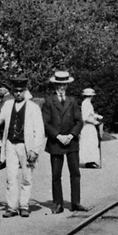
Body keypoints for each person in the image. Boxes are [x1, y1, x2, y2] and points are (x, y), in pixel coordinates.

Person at [0, 77, 44, 217]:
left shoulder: (33, 107)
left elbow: (40, 131)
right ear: (12, 92)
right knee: (11, 177)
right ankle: (12, 207)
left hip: (26, 146)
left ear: (25, 91)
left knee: (26, 177)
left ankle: (24, 206)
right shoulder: (8, 105)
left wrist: (35, 150)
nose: (18, 94)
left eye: (21, 91)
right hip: (11, 145)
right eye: (16, 91)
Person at [41, 70, 84, 213]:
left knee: (75, 173)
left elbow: (79, 121)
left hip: (71, 142)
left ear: (67, 85)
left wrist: (71, 135)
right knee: (56, 174)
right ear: (55, 85)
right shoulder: (49, 101)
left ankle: (75, 202)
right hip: (56, 142)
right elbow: (45, 123)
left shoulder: (72, 101)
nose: (61, 87)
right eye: (59, 84)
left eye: (64, 84)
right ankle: (58, 203)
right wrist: (58, 136)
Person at [79, 88, 103, 168]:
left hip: (90, 126)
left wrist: (97, 116)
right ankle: (89, 161)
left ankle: (91, 160)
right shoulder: (85, 103)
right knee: (89, 143)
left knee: (92, 143)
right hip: (88, 127)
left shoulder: (87, 103)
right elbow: (85, 117)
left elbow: (90, 114)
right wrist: (95, 122)